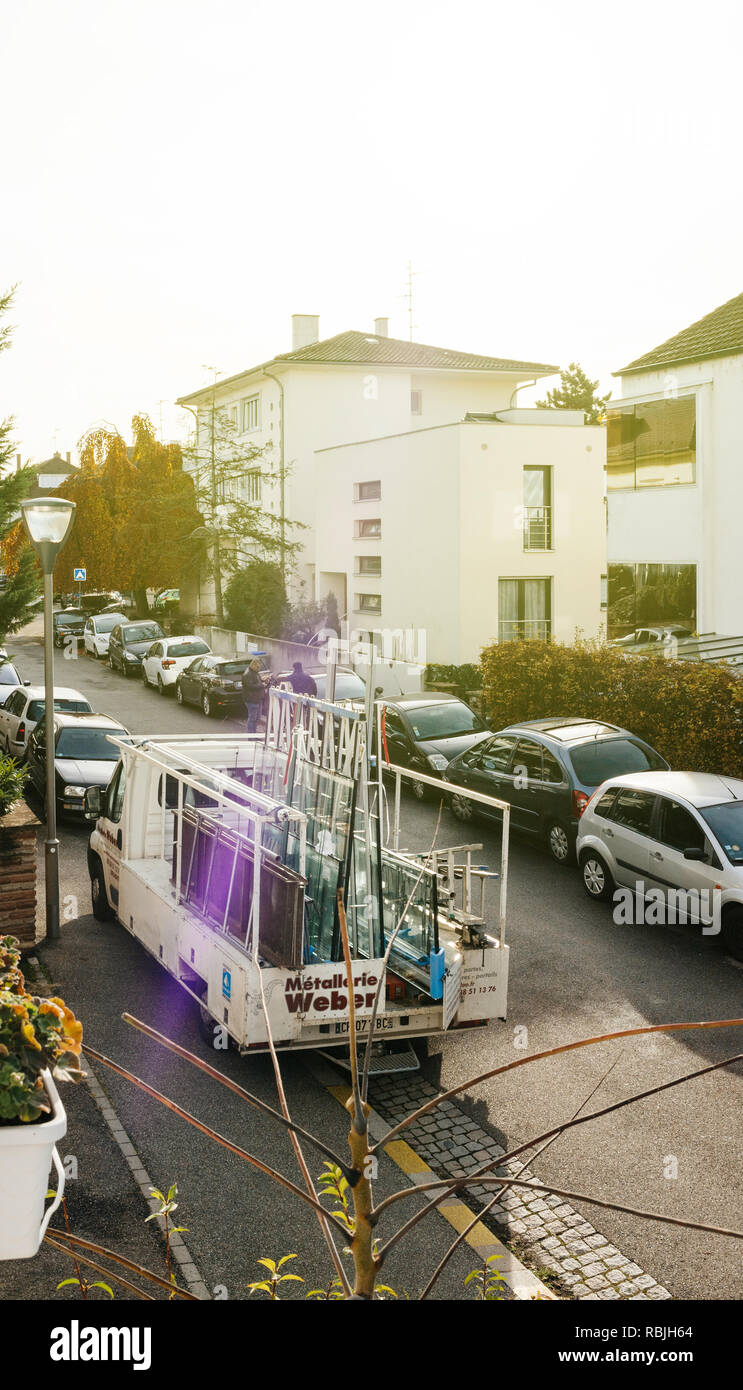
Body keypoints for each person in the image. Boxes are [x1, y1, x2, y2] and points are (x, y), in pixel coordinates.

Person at [241, 658, 264, 732]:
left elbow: (255, 681)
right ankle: (251, 736)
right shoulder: (248, 674)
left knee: (257, 718)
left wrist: (263, 680)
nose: (259, 669)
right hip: (251, 700)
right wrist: (261, 684)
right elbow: (250, 686)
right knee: (252, 718)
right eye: (258, 667)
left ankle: (253, 733)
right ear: (254, 665)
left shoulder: (254, 672)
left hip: (257, 699)